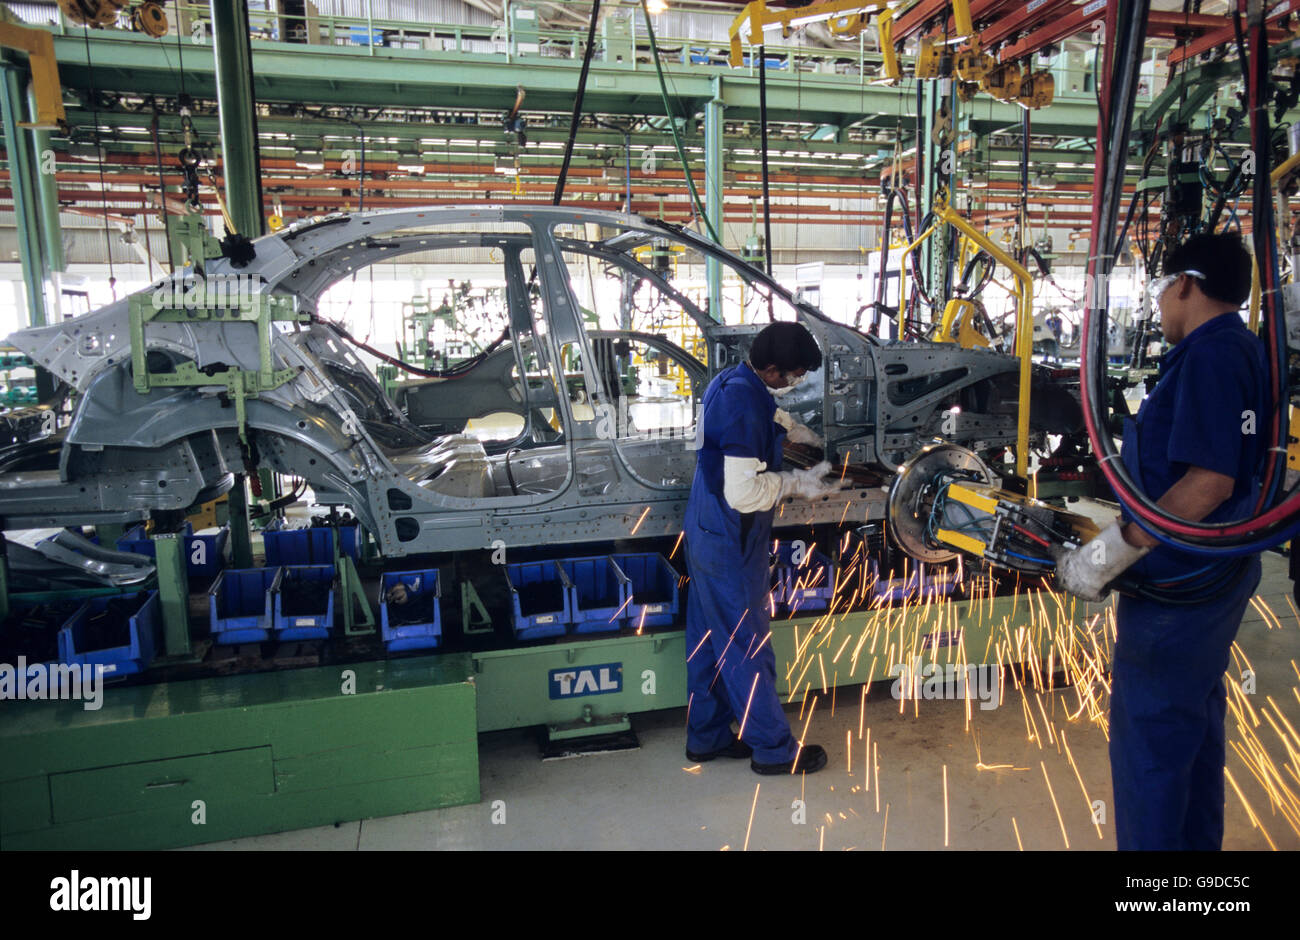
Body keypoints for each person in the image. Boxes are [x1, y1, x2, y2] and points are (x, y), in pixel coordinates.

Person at [1053, 232, 1266, 850]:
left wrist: (1114, 549)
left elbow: (1208, 483)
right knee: (1191, 731)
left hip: (1179, 584)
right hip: (1215, 573)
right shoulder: (1243, 348)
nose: (1159, 304)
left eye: (1160, 289)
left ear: (1187, 285)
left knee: (1150, 743)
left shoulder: (1208, 357)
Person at [682, 321, 844, 775]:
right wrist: (797, 482)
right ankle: (773, 749)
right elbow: (742, 493)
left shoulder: (734, 380)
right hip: (730, 534)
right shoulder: (742, 404)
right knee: (746, 642)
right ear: (772, 368)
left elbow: (766, 415)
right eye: (791, 376)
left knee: (710, 639)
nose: (793, 383)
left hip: (706, 526)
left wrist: (799, 432)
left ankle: (707, 737)